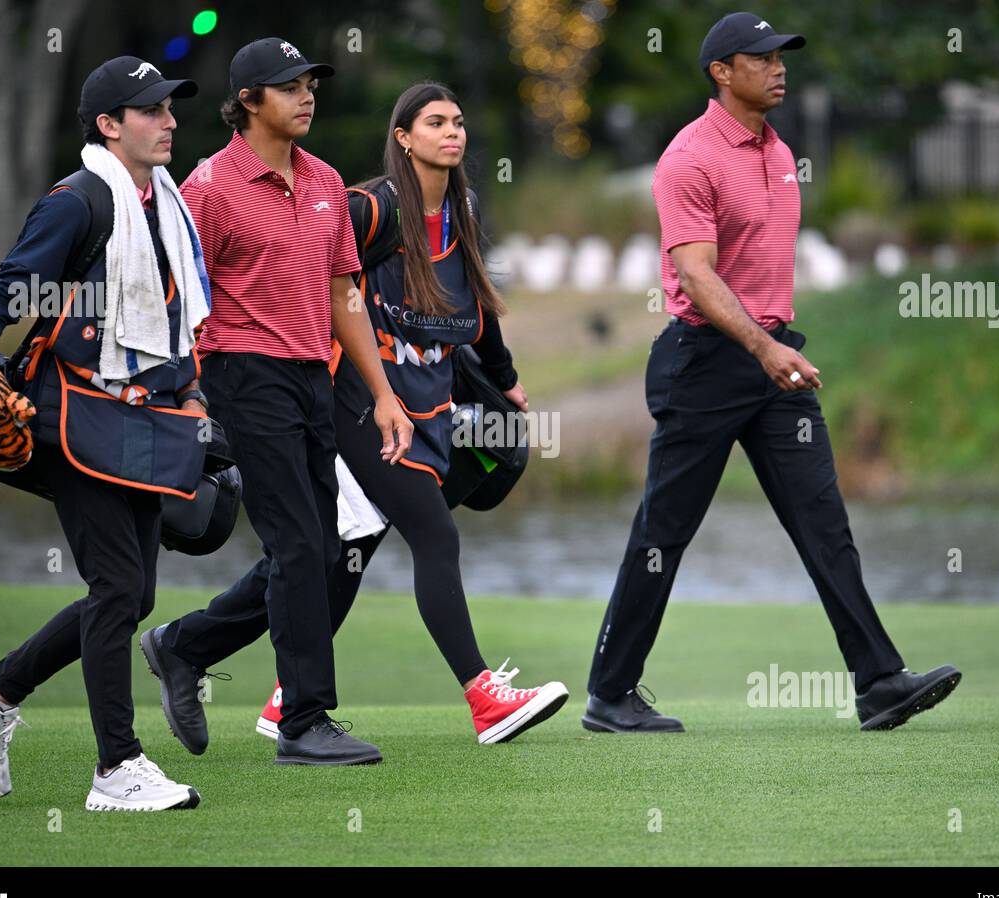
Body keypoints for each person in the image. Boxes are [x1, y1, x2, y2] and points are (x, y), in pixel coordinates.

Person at [582, 13, 961, 734]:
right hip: (705, 365)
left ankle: (879, 681)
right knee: (664, 535)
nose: (779, 67)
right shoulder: (689, 158)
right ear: (721, 71)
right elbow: (694, 275)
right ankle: (610, 693)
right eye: (761, 57)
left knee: (825, 523)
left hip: (772, 361)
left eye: (782, 56)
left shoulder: (780, 151)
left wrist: (772, 346)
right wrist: (763, 348)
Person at [0, 56, 211, 810]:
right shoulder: (80, 200)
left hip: (144, 416)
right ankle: (116, 769)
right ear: (108, 124)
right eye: (150, 110)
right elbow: (8, 295)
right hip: (72, 414)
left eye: (170, 108)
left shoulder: (166, 206)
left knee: (136, 594)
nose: (169, 120)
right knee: (117, 585)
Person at [254, 82, 568, 745]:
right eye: (434, 122)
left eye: (457, 122)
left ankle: (280, 693)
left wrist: (505, 382)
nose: (452, 133)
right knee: (433, 533)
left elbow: (473, 308)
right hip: (354, 401)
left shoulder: (462, 211)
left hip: (424, 403)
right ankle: (486, 699)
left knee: (346, 551)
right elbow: (314, 288)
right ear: (403, 137)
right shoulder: (370, 209)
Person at [137, 38, 413, 766]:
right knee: (298, 545)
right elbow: (176, 299)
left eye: (311, 83)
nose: (308, 95)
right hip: (241, 376)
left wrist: (383, 394)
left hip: (308, 379)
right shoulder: (209, 188)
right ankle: (305, 720)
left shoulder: (325, 181)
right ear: (249, 100)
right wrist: (185, 393)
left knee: (322, 550)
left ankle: (183, 644)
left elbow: (343, 295)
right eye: (290, 86)